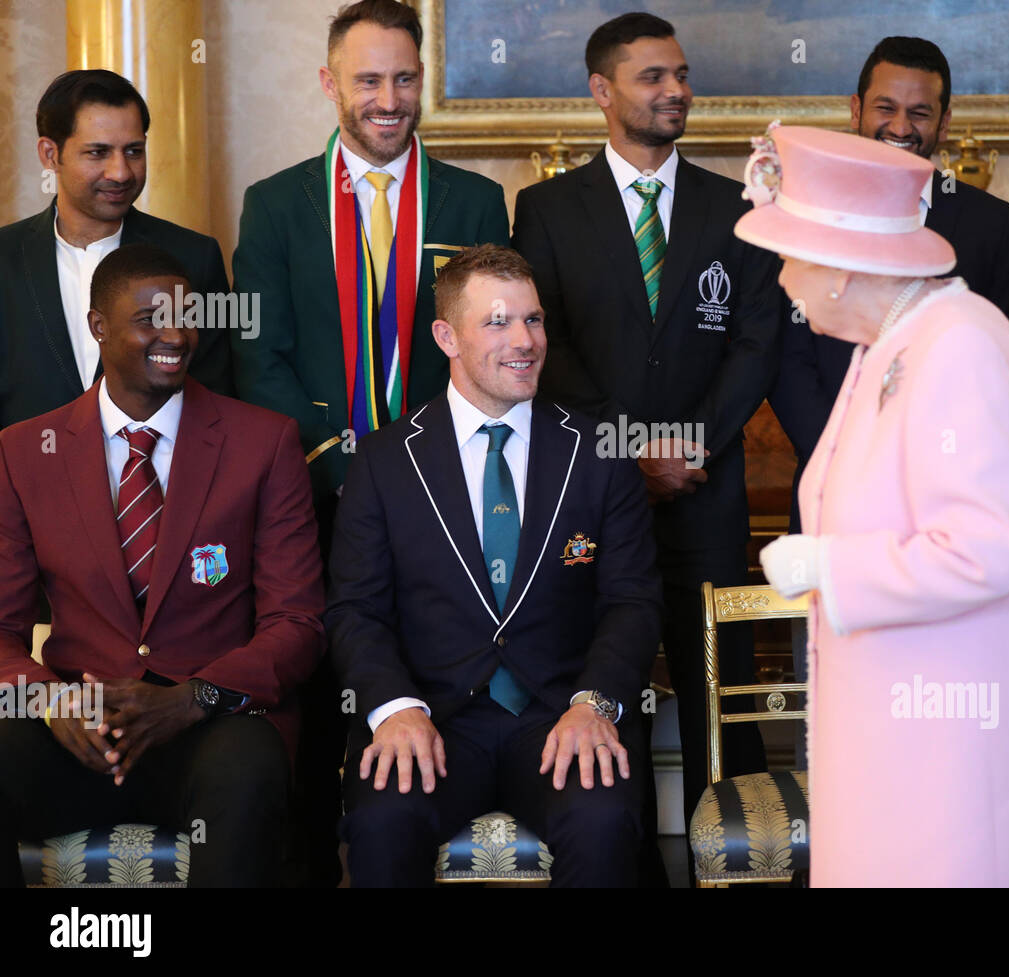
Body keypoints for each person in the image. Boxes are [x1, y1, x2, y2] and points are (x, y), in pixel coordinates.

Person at [743, 124, 1009, 886]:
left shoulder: (957, 345)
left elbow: (981, 549)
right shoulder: (892, 343)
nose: (781, 281)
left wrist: (828, 562)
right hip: (898, 731)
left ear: (837, 269)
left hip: (952, 745)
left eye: (788, 258)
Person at [230, 0, 509, 885]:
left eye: (405, 78)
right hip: (312, 498)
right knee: (317, 696)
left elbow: (491, 358)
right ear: (329, 84)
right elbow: (259, 359)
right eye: (368, 80)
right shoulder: (275, 205)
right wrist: (344, 469)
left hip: (443, 497)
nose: (388, 99)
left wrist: (402, 477)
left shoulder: (474, 199)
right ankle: (316, 862)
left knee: (437, 669)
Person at [511, 12, 780, 847]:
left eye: (682, 74)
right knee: (606, 684)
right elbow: (544, 348)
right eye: (653, 77)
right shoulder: (548, 208)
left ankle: (730, 864)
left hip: (709, 496)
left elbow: (755, 342)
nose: (677, 91)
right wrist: (632, 455)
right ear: (602, 91)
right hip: (594, 496)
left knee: (718, 706)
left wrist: (688, 449)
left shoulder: (737, 206)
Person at [327, 245, 660, 887]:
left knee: (604, 820)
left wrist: (595, 703)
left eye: (533, 321)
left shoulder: (600, 452)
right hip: (430, 716)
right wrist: (394, 709)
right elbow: (355, 609)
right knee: (381, 823)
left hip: (562, 714)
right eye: (499, 322)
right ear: (446, 336)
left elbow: (632, 602)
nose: (526, 341)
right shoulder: (384, 460)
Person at [0, 244, 325, 887]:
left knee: (249, 769)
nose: (175, 334)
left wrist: (193, 700)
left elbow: (298, 624)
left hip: (211, 727)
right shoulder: (24, 450)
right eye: (151, 317)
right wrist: (49, 698)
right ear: (99, 326)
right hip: (79, 729)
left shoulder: (264, 441)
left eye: (186, 314)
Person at [766, 37, 1009, 761]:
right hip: (828, 492)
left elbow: (999, 381)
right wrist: (852, 453)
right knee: (830, 732)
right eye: (885, 106)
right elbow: (786, 357)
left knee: (931, 744)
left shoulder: (988, 226)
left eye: (921, 112)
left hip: (941, 526)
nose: (902, 125)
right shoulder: (816, 221)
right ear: (856, 109)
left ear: (945, 120)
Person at [0, 69, 231, 431]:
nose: (121, 172)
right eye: (98, 153)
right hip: (21, 481)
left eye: (134, 152)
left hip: (157, 478)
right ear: (50, 154)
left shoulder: (195, 256)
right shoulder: (6, 257)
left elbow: (217, 401)